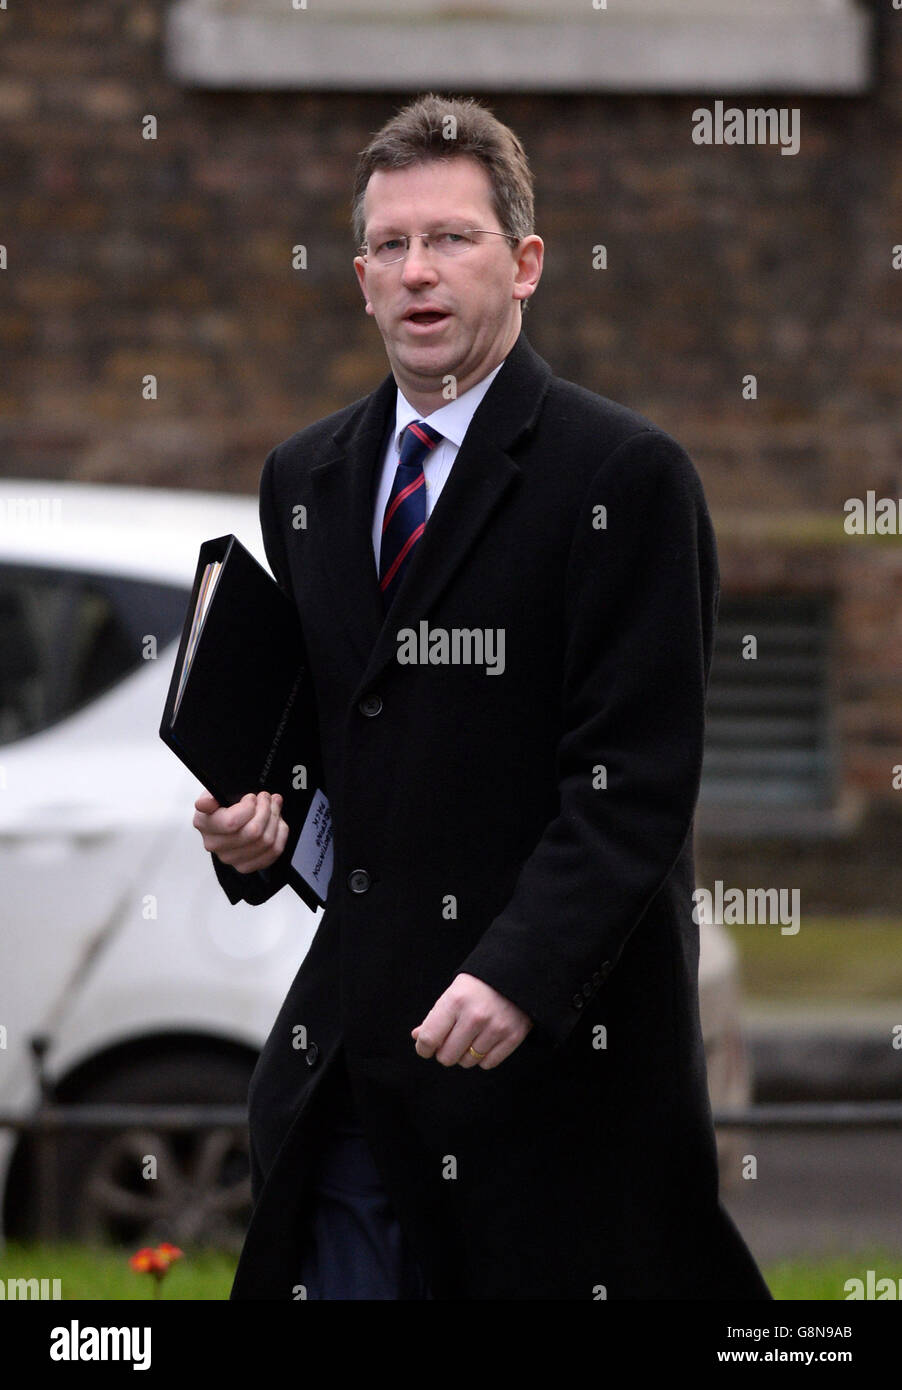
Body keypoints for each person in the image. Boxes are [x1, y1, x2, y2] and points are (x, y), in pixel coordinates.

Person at [193, 91, 771, 1301]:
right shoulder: (304, 476)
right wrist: (254, 828)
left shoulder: (625, 477)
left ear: (524, 263)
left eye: (451, 239)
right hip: (358, 1067)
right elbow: (318, 754)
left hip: (561, 1078)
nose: (418, 271)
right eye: (391, 245)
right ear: (359, 278)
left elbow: (633, 786)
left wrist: (517, 971)